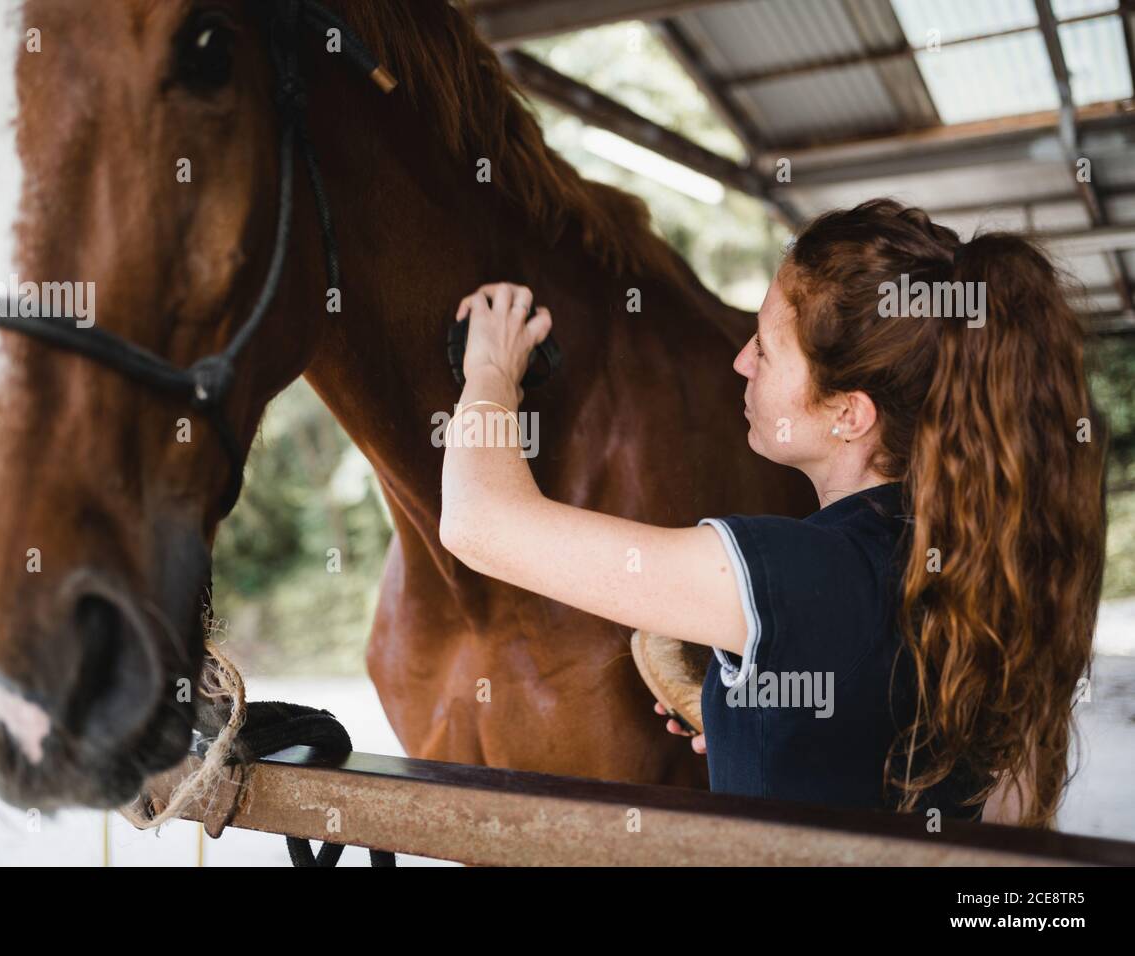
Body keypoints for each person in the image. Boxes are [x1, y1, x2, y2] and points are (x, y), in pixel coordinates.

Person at [438, 199, 1106, 827]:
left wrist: (491, 369)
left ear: (851, 413)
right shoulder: (970, 552)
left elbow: (479, 521)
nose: (740, 361)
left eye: (764, 347)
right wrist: (752, 729)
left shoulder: (803, 572)